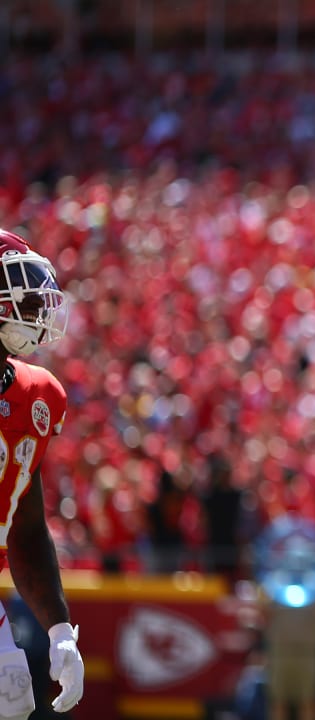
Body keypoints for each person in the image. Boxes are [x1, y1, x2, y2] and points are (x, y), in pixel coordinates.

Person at [0, 228, 85, 718]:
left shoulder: (37, 396)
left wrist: (58, 630)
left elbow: (26, 527)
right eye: (20, 289)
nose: (35, 307)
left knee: (12, 695)